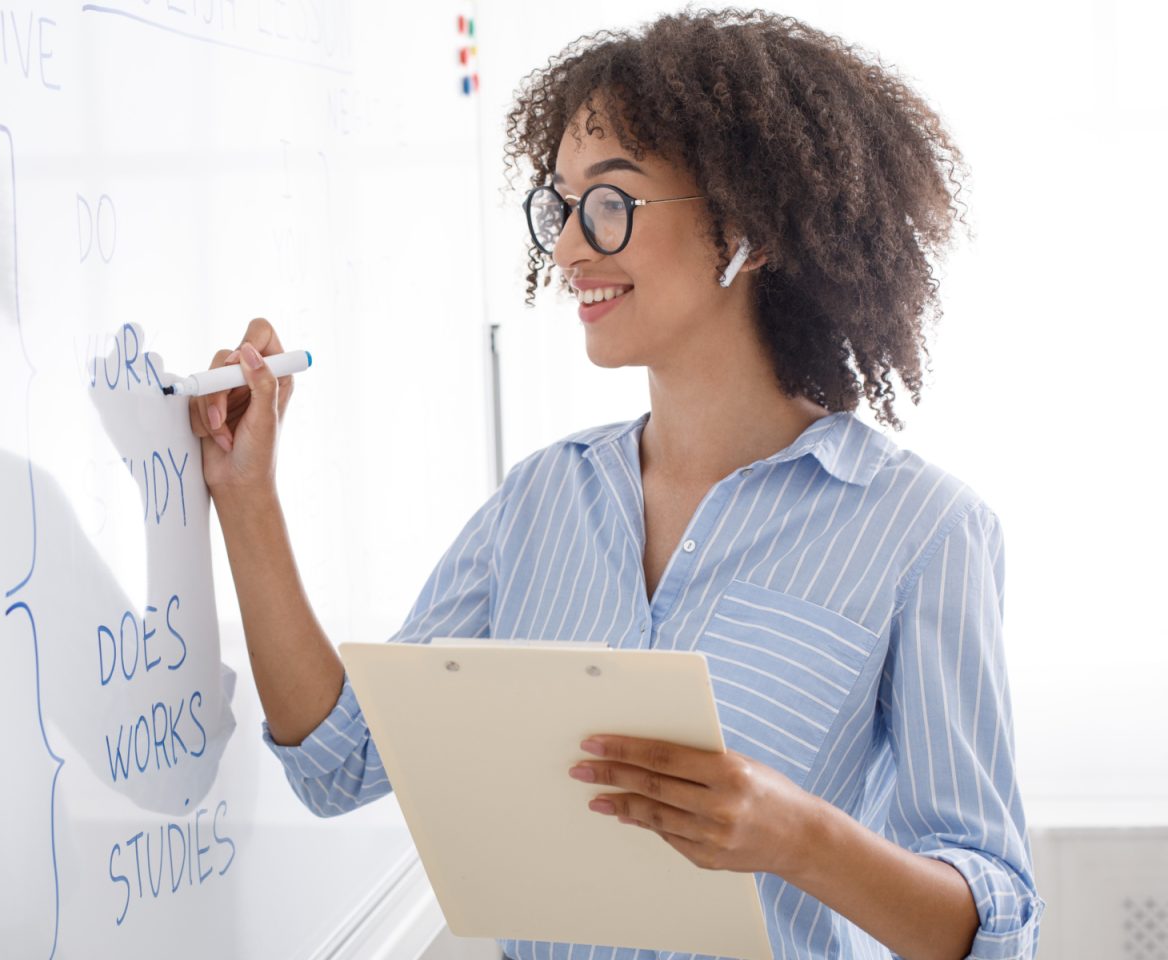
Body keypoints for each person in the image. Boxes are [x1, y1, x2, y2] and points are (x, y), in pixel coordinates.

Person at [189, 8, 1043, 959]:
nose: (566, 249)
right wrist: (248, 495)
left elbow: (997, 924)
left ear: (747, 227)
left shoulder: (923, 531)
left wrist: (797, 838)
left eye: (612, 202)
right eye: (561, 206)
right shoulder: (537, 505)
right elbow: (339, 764)